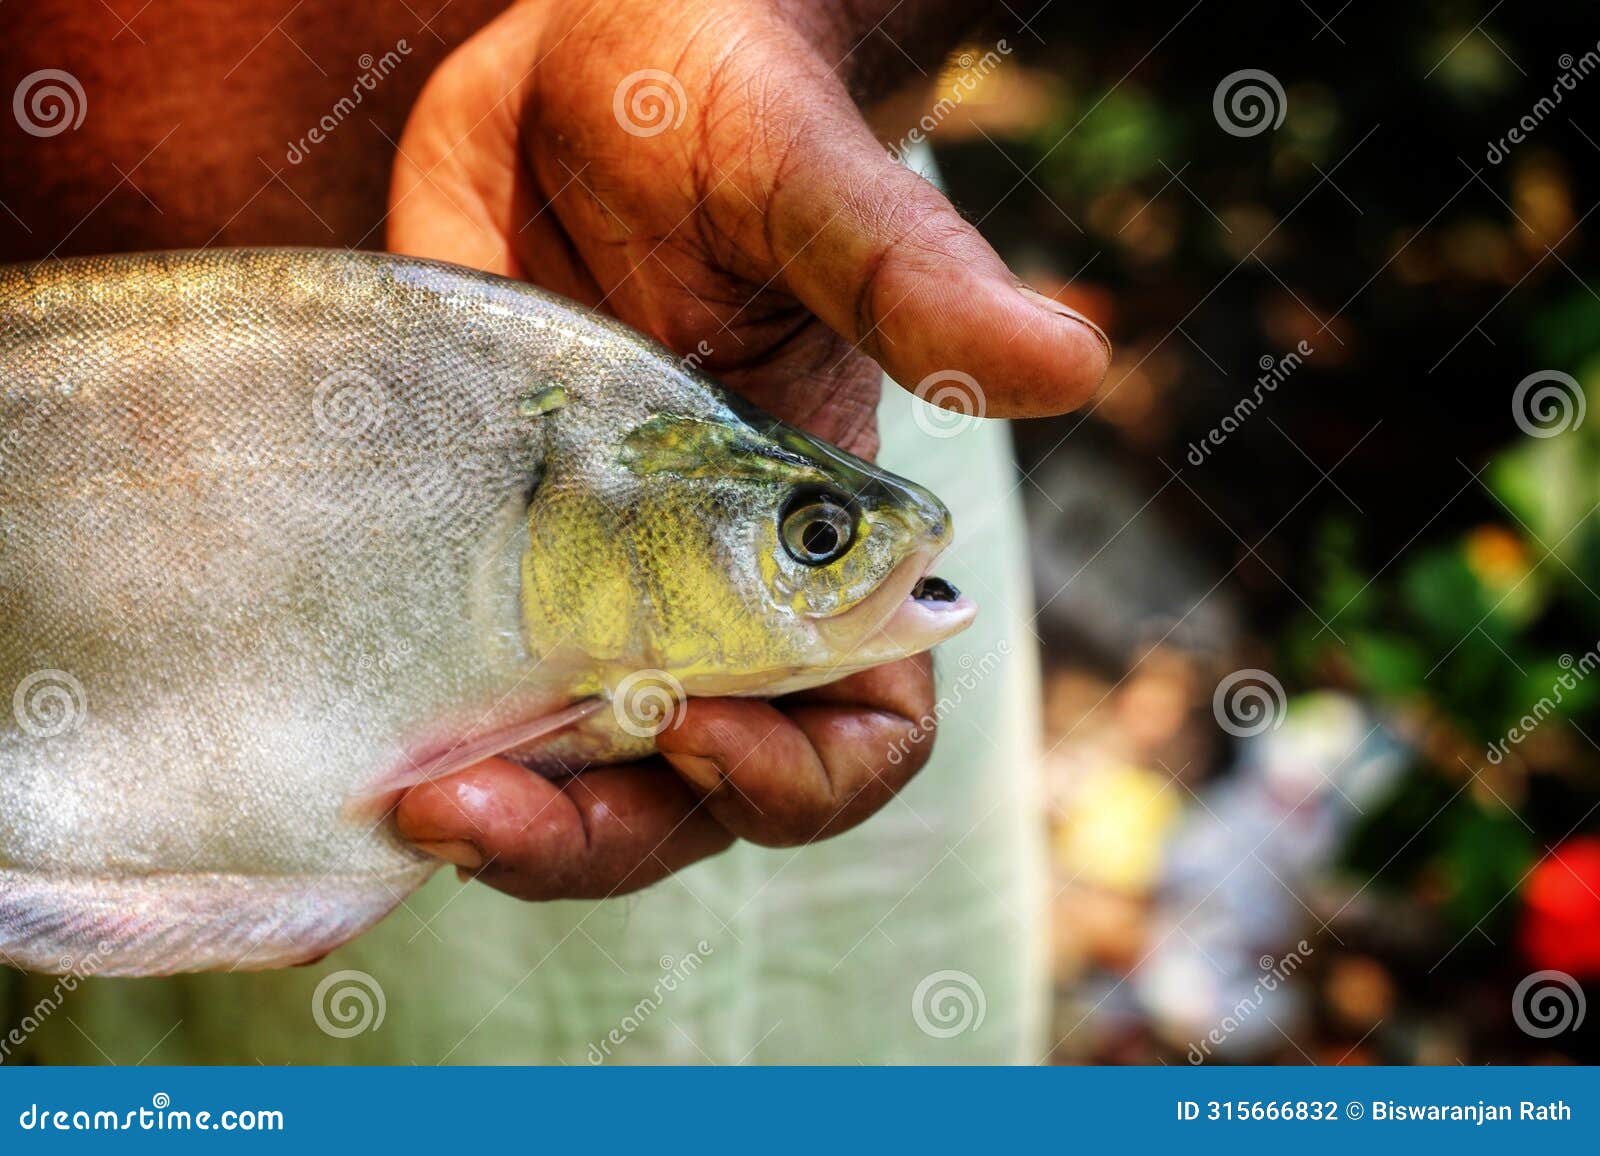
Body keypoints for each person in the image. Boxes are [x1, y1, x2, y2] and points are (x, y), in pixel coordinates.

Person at [0, 0, 1107, 1062]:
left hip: (696, 275)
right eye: (812, 536)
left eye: (807, 535)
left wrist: (794, 14)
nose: (845, 557)